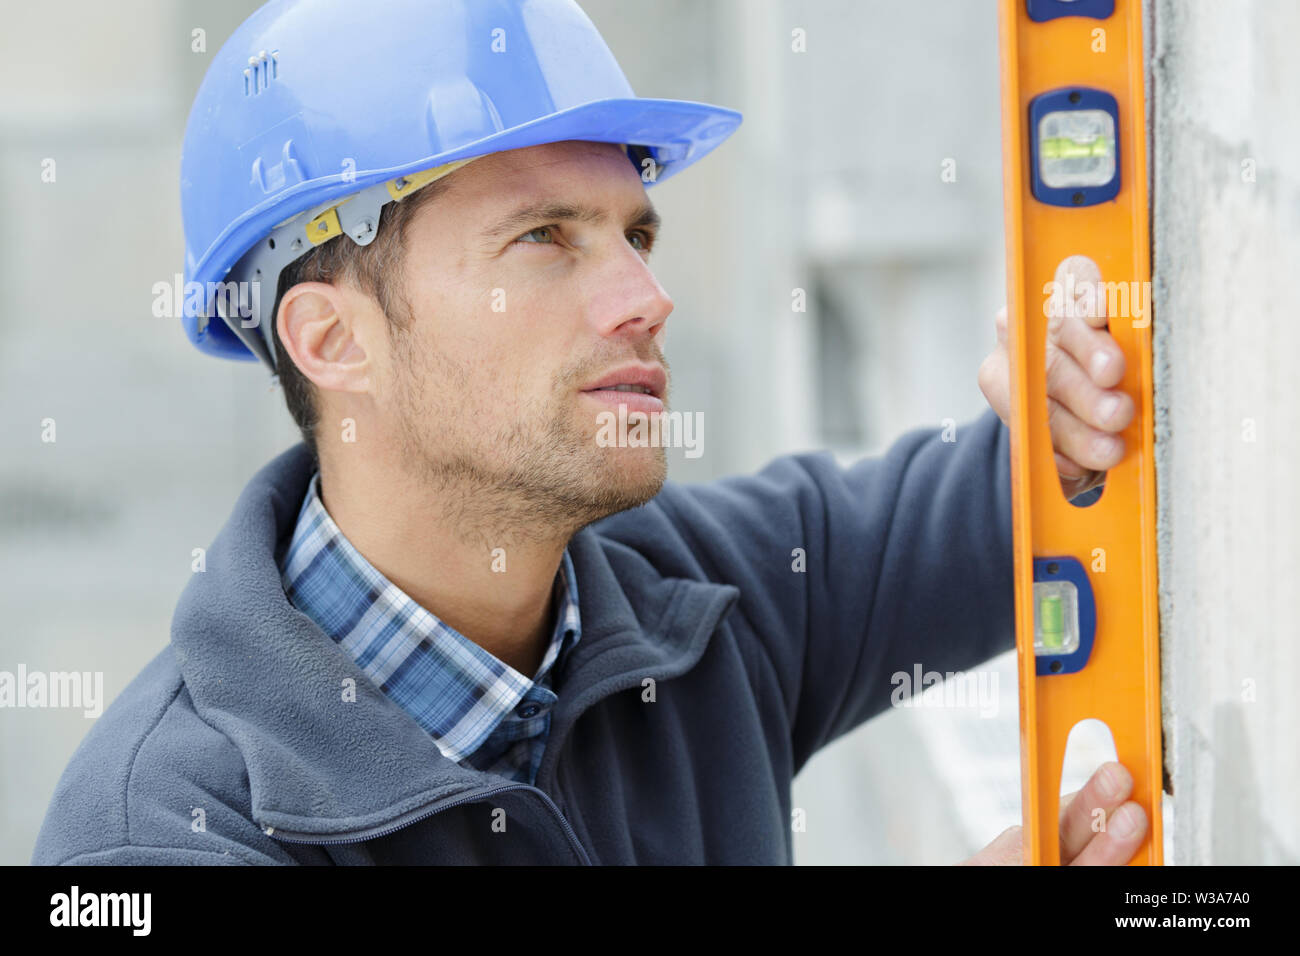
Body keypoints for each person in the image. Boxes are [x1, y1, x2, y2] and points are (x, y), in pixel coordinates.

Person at [32, 0, 1145, 865]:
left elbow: (1010, 500)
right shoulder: (162, 830)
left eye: (636, 233)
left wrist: (1071, 400)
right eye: (546, 240)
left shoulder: (702, 598)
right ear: (332, 338)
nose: (646, 295)